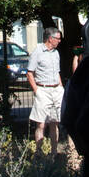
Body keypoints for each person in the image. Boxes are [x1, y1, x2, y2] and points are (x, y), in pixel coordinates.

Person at [27, 28, 64, 156]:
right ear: (50, 39)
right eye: (58, 39)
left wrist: (61, 87)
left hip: (56, 90)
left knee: (54, 123)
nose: (59, 41)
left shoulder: (56, 53)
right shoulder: (37, 52)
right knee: (41, 124)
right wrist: (37, 91)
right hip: (43, 89)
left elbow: (57, 72)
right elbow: (29, 73)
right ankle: (38, 153)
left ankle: (54, 153)